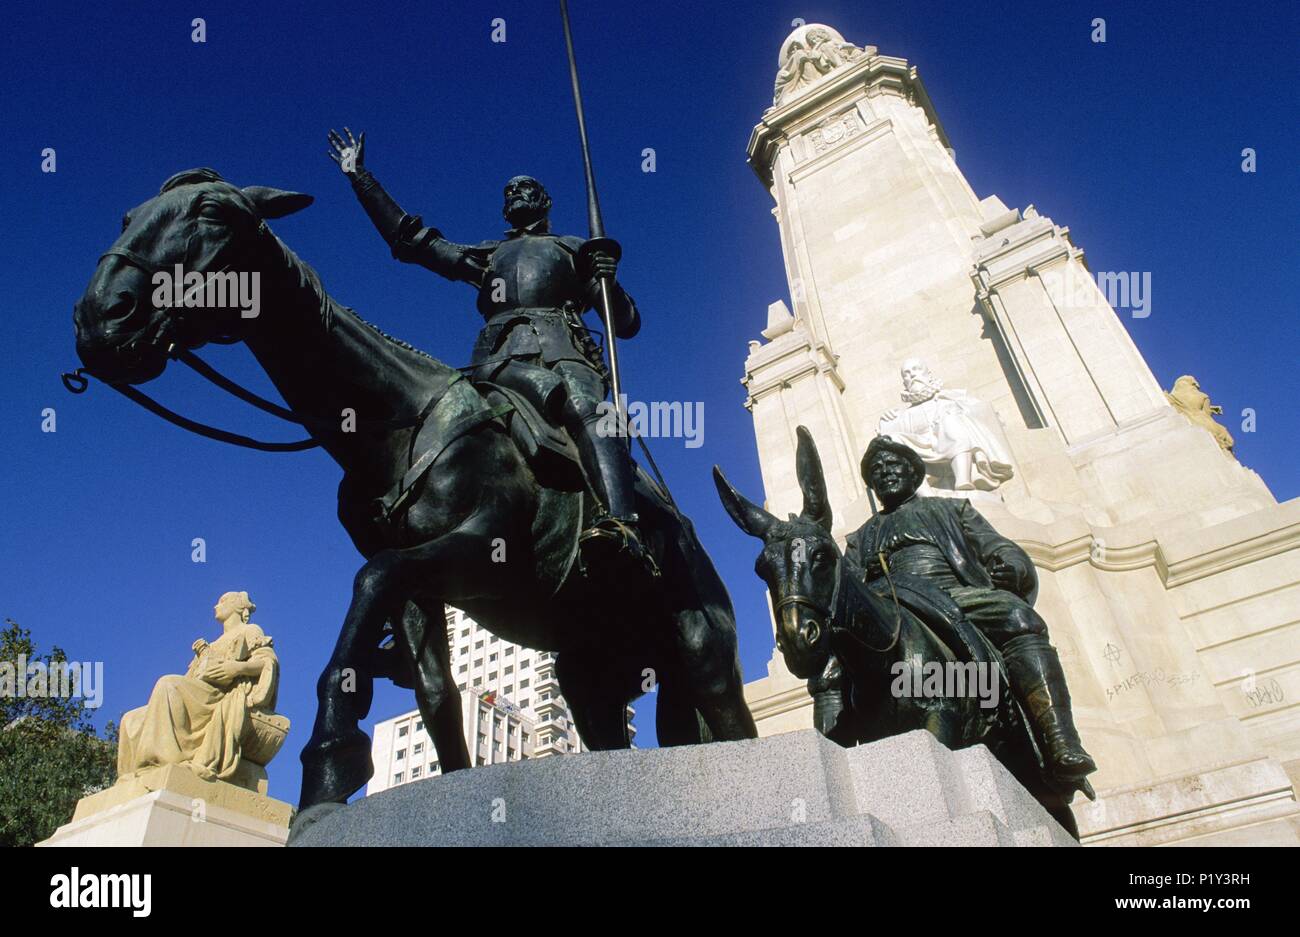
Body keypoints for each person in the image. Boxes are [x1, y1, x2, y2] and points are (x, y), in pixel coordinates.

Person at [327, 128, 644, 564]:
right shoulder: (489, 255)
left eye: (525, 188)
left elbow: (623, 324)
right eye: (509, 190)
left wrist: (607, 275)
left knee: (590, 413)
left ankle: (622, 525)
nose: (515, 192)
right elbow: (414, 244)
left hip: (561, 355)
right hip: (496, 363)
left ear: (544, 201)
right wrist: (361, 178)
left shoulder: (572, 249)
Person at [845, 436, 1096, 794]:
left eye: (892, 464)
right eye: (876, 470)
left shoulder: (951, 510)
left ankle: (1060, 741)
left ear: (913, 471)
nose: (885, 472)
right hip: (894, 603)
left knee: (1019, 618)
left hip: (957, 597)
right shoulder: (860, 538)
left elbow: (998, 546)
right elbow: (847, 590)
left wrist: (1012, 566)